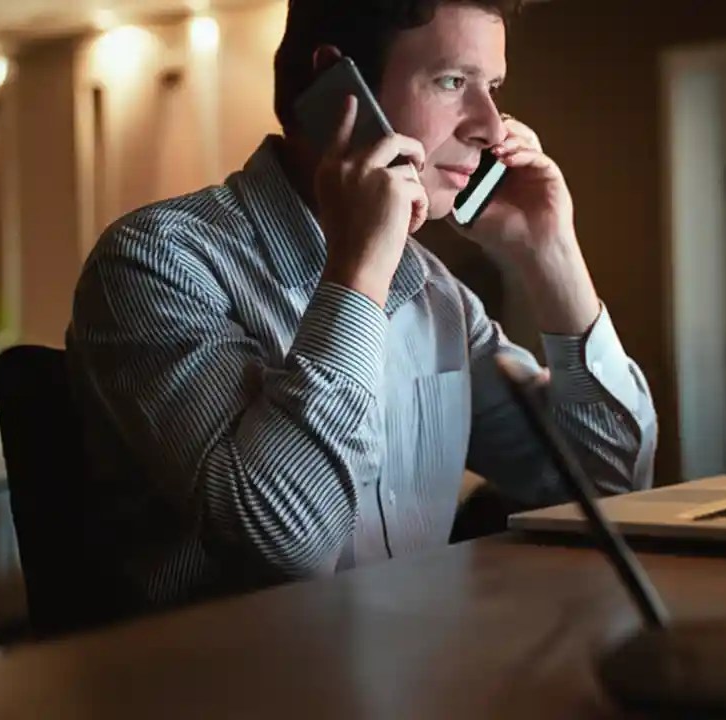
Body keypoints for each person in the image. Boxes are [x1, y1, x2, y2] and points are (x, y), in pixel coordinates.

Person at [65, 0, 657, 610]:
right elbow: (286, 543)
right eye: (453, 82)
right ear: (337, 88)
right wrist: (358, 272)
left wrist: (551, 253)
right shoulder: (157, 262)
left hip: (419, 673)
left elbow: (610, 484)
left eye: (494, 87)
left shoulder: (435, 293)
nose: (490, 126)